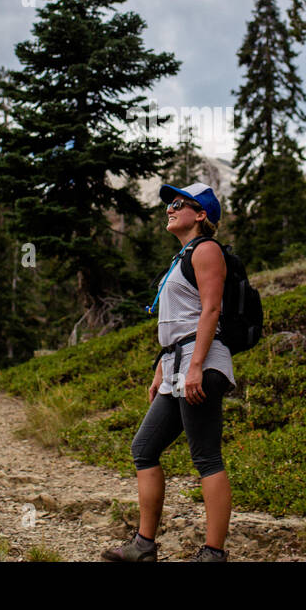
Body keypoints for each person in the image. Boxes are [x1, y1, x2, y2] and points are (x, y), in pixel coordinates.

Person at [102, 181, 235, 562]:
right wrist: (163, 367)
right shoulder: (183, 257)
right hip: (178, 362)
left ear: (202, 214)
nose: (169, 209)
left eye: (179, 203)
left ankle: (213, 553)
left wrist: (195, 367)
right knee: (144, 449)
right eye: (169, 204)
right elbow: (179, 319)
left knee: (206, 456)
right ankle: (143, 546)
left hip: (201, 363)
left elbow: (210, 312)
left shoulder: (207, 250)